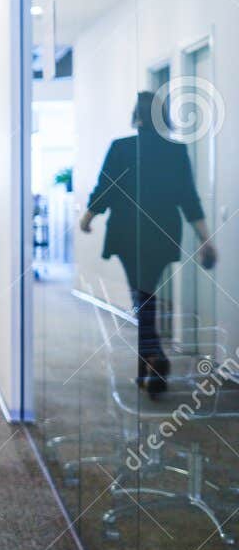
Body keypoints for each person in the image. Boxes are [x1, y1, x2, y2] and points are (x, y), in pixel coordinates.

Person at [79, 90, 217, 396]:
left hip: (127, 232)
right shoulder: (176, 152)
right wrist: (205, 238)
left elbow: (106, 187)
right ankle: (148, 368)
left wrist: (88, 217)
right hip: (162, 232)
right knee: (146, 294)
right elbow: (188, 198)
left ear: (137, 116)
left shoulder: (121, 148)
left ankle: (153, 357)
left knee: (142, 296)